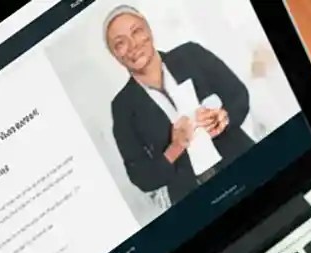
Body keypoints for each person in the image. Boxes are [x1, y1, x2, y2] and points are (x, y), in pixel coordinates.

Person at [105, 6, 253, 204]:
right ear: (115, 55)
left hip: (243, 164)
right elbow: (141, 176)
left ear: (149, 30)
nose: (132, 45)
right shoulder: (122, 106)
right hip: (194, 201)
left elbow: (238, 95)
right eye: (120, 43)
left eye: (136, 31)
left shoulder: (190, 54)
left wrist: (224, 117)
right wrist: (174, 148)